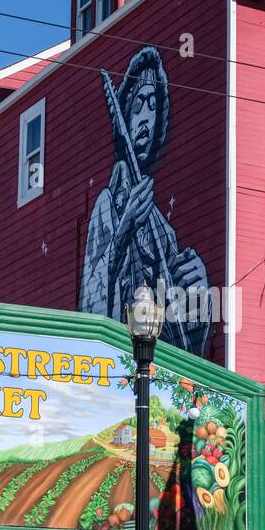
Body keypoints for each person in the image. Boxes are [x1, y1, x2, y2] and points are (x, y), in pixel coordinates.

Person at [79, 46, 211, 356]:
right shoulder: (106, 206)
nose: (146, 118)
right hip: (122, 367)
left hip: (157, 375)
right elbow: (92, 302)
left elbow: (180, 332)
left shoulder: (162, 229)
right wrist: (124, 230)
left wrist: (197, 294)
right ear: (123, 114)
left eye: (154, 105)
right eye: (138, 104)